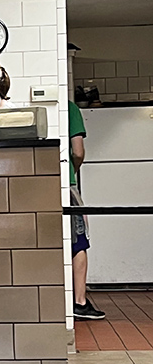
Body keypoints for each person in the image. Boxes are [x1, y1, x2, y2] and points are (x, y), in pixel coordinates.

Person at [69, 99, 106, 320]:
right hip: (66, 187)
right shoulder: (70, 108)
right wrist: (70, 173)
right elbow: (78, 151)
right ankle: (80, 302)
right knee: (79, 241)